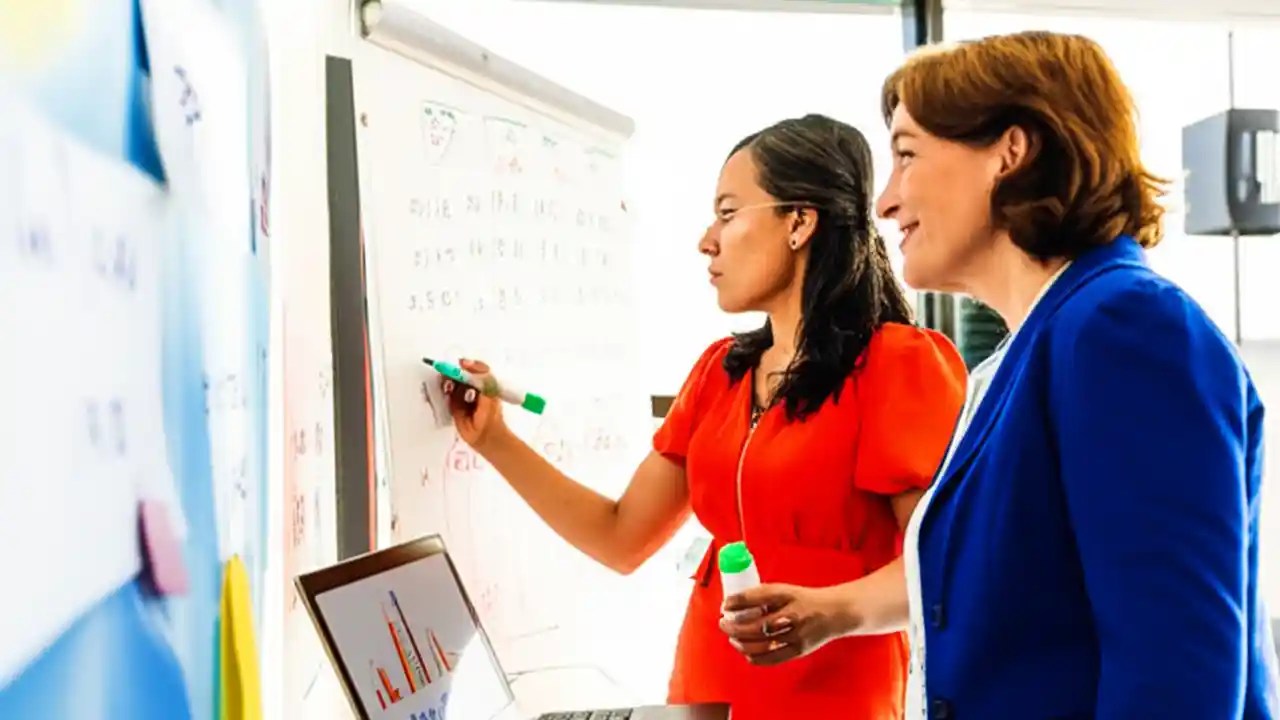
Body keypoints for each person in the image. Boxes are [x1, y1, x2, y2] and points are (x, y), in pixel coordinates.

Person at [440, 114, 966, 718]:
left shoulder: (897, 365)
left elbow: (948, 565)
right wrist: (496, 441)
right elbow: (621, 537)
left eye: (728, 212)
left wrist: (831, 613)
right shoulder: (722, 372)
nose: (706, 240)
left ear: (799, 222)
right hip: (704, 695)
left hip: (834, 700)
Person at [875, 31, 1280, 719]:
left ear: (1010, 150)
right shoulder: (1036, 348)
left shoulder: (1124, 328)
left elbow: (1174, 683)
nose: (886, 201)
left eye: (907, 156)